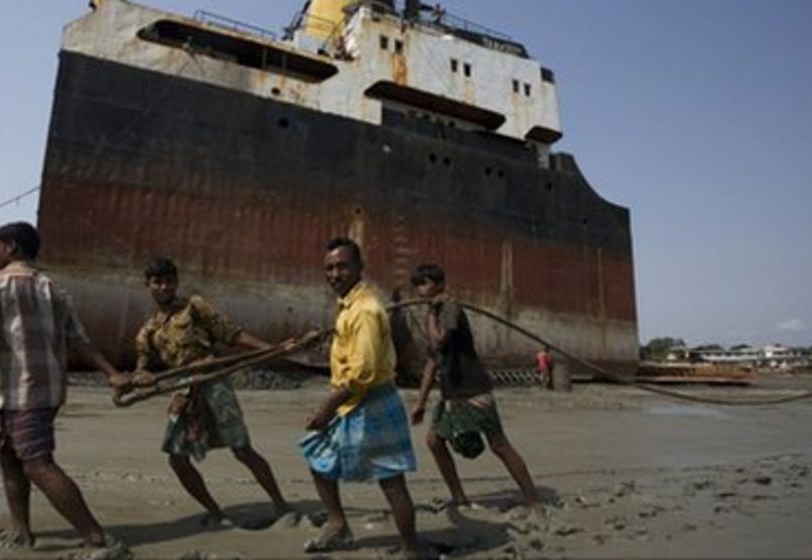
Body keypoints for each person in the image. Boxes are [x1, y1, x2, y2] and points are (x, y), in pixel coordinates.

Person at [0, 221, 133, 559]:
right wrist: (111, 373)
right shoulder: (52, 287)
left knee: (37, 463)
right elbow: (79, 340)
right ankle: (20, 532)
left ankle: (95, 537)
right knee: (9, 457)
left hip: (22, 390)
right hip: (41, 391)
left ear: (11, 247)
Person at [132, 257, 296, 527]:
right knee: (177, 459)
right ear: (147, 285)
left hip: (214, 382)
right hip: (183, 392)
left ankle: (282, 506)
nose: (164, 287)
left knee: (242, 449)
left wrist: (271, 349)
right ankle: (215, 513)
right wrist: (141, 378)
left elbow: (232, 334)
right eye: (157, 282)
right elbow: (141, 369)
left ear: (176, 282)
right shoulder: (147, 332)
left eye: (169, 281)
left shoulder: (194, 306)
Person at [300, 238, 420, 557]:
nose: (335, 274)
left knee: (391, 481)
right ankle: (338, 526)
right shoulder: (350, 306)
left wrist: (327, 406)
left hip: (372, 402)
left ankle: (411, 551)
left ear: (359, 268)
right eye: (329, 268)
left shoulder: (365, 310)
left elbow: (363, 372)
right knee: (317, 457)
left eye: (342, 266)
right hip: (352, 401)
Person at [409, 264, 539, 511]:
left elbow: (439, 341)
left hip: (473, 388)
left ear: (439, 284)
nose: (419, 290)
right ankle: (458, 496)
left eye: (424, 284)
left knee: (499, 445)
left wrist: (430, 314)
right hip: (452, 392)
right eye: (417, 285)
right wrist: (421, 403)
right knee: (434, 441)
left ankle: (533, 501)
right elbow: (432, 361)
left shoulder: (450, 308)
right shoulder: (436, 313)